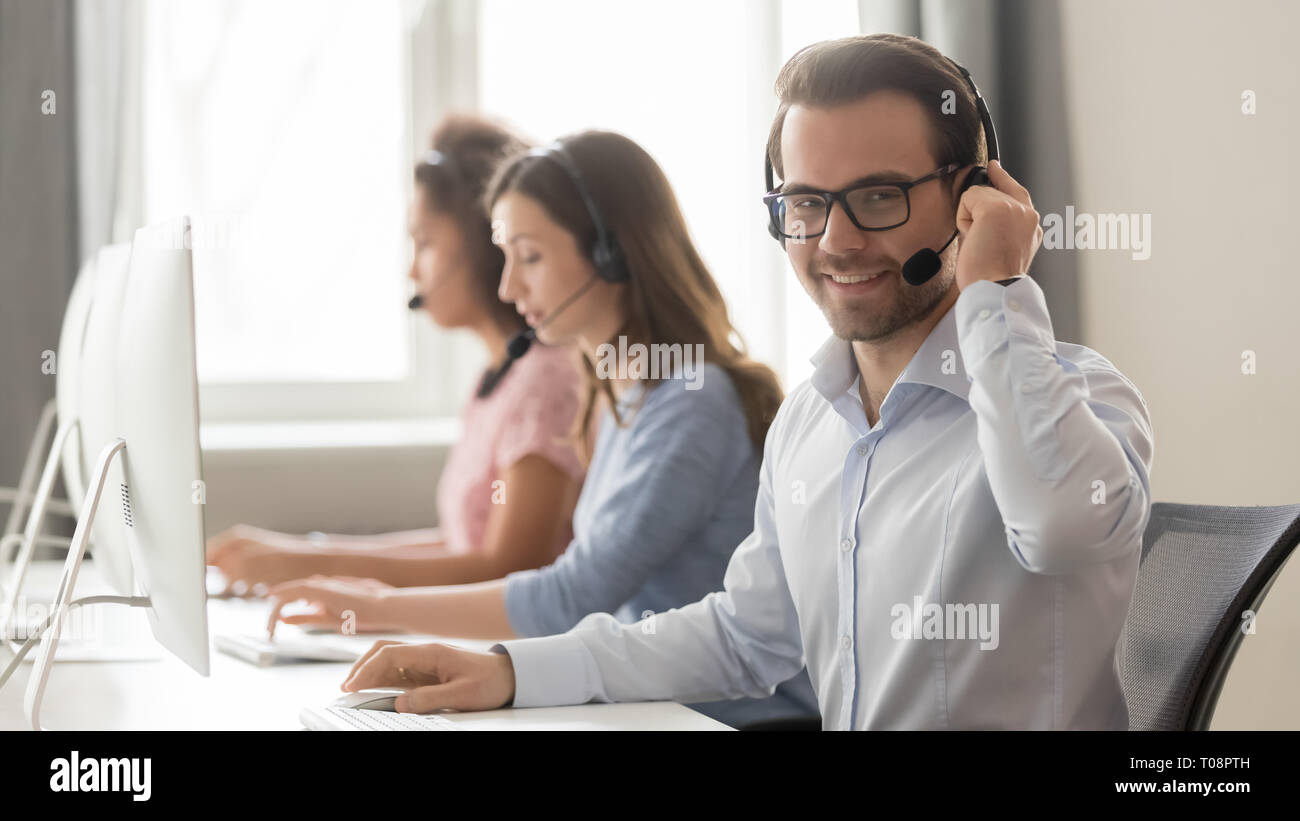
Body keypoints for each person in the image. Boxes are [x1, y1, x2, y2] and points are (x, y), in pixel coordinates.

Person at [325, 34, 1156, 730]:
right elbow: (743, 635)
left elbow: (1055, 528)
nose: (835, 239)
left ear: (973, 202)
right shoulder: (811, 424)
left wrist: (997, 291)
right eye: (805, 202)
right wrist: (509, 669)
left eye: (879, 196)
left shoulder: (1079, 397)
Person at [264, 129, 819, 728]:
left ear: (611, 251)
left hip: (724, 718)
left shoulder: (693, 400)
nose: (508, 287)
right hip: (639, 703)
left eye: (529, 256)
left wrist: (378, 606)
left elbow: (576, 593)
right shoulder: (620, 393)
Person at [207, 115, 585, 590]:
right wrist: (306, 556)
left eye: (424, 244)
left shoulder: (545, 382)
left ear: (481, 244)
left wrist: (315, 566)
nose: (412, 271)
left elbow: (506, 571)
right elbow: (462, 546)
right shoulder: (501, 378)